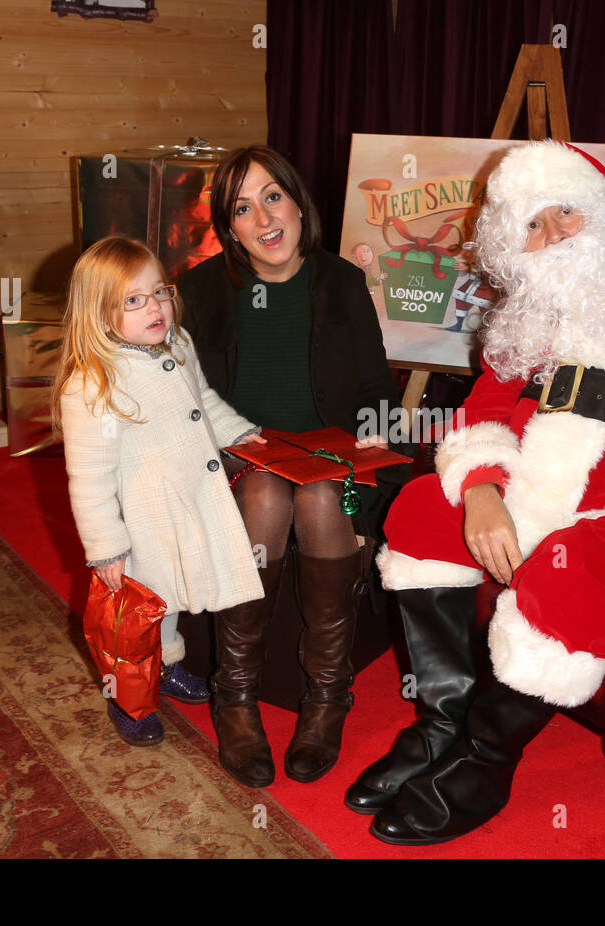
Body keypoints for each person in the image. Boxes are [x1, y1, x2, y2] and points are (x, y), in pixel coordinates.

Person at [347, 118, 605, 844]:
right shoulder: (524, 321)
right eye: (533, 223)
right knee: (417, 512)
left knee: (570, 576)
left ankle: (485, 757)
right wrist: (478, 490)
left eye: (566, 208)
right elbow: (484, 407)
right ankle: (443, 725)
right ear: (516, 248)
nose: (556, 231)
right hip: (549, 496)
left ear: (601, 213)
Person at [176, 145, 411, 788]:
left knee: (318, 498)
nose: (264, 219)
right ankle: (236, 694)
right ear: (228, 227)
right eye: (243, 209)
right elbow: (185, 399)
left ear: (297, 201)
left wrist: (366, 454)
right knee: (267, 497)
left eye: (272, 197)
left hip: (332, 459)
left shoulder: (340, 282)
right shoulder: (199, 291)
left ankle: (327, 695)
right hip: (237, 457)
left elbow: (373, 391)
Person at [53, 236, 267, 747]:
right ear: (100, 315)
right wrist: (106, 546)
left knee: (168, 603)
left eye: (160, 292)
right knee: (137, 618)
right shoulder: (92, 385)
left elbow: (204, 402)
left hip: (189, 501)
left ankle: (166, 668)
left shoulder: (179, 344)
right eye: (133, 300)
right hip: (139, 521)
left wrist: (240, 432)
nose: (155, 307)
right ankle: (127, 696)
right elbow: (89, 477)